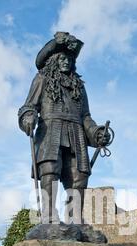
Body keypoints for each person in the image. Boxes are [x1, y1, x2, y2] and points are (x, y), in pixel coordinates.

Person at [18, 32, 111, 223]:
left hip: (76, 133)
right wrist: (28, 117)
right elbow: (28, 106)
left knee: (79, 177)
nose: (66, 61)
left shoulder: (79, 86)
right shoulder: (42, 79)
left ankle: (74, 220)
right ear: (52, 60)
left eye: (69, 58)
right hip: (51, 130)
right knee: (50, 169)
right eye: (61, 57)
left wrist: (96, 133)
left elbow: (86, 117)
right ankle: (48, 216)